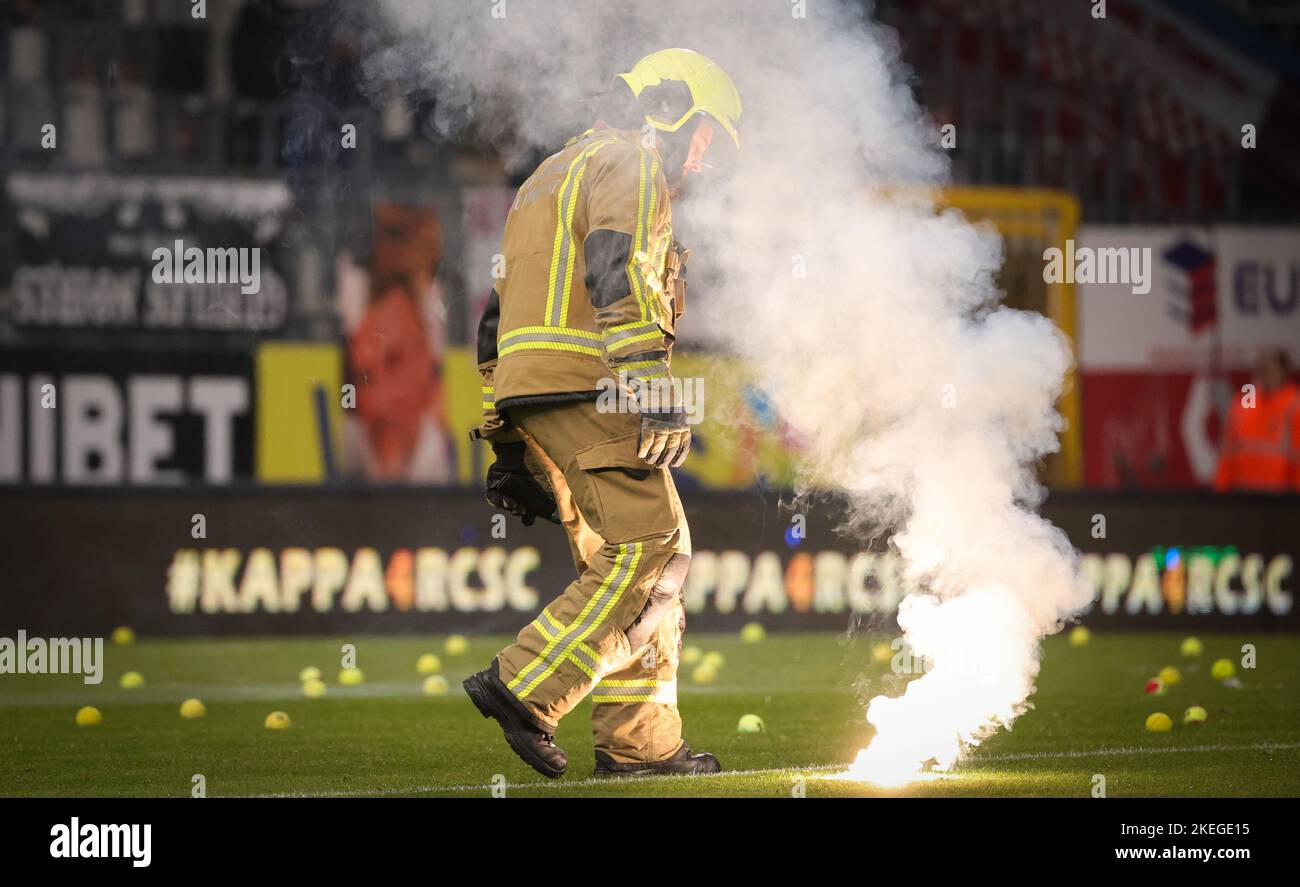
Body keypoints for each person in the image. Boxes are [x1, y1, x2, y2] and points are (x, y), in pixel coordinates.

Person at [462, 48, 742, 778]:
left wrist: (506, 441)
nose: (708, 160)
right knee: (653, 548)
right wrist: (651, 388)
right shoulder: (632, 163)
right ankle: (526, 685)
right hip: (589, 383)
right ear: (673, 111)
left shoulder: (544, 178)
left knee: (628, 556)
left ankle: (640, 744)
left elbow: (494, 321)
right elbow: (618, 267)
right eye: (709, 135)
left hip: (538, 392)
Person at [1214, 348, 1299, 491]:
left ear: (1283, 372)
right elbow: (1227, 452)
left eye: (1271, 371)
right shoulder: (1245, 401)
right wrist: (1220, 488)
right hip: (1242, 493)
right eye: (1262, 371)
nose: (1266, 377)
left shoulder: (1293, 404)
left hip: (1280, 497)